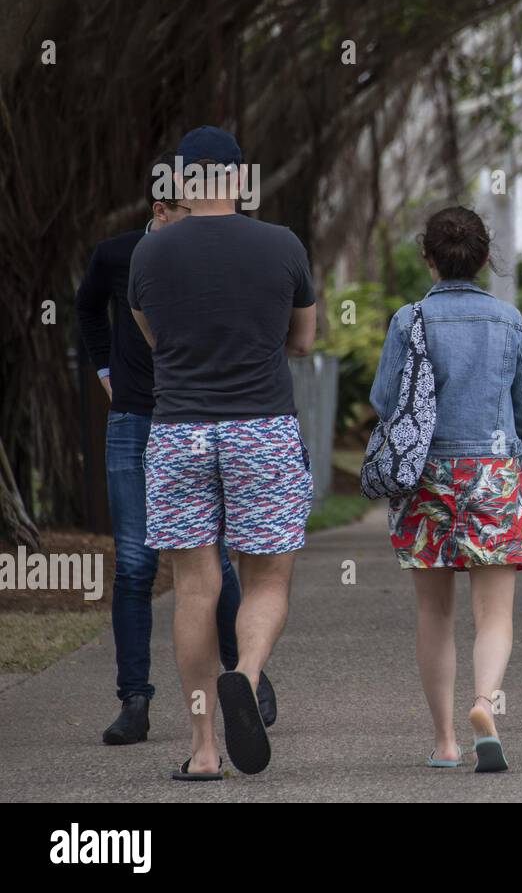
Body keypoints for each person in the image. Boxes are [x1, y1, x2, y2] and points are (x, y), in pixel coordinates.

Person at [128, 125, 316, 780]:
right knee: (266, 577)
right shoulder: (282, 245)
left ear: (179, 182)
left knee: (193, 589)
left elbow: (152, 336)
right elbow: (302, 338)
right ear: (240, 180)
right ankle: (247, 672)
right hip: (260, 426)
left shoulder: (149, 254)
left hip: (179, 429)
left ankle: (204, 749)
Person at [75, 154, 274, 747]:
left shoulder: (200, 255)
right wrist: (106, 366)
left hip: (194, 421)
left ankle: (247, 678)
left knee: (213, 561)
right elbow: (87, 306)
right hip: (135, 419)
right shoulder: (121, 255)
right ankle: (134, 699)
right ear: (161, 208)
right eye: (188, 211)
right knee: (136, 565)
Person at [369, 206, 522, 774]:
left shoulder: (408, 319)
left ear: (429, 258)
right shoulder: (508, 320)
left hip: (424, 478)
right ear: (487, 257)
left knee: (434, 613)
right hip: (492, 471)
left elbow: (384, 401)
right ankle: (484, 703)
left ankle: (445, 742)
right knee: (494, 613)